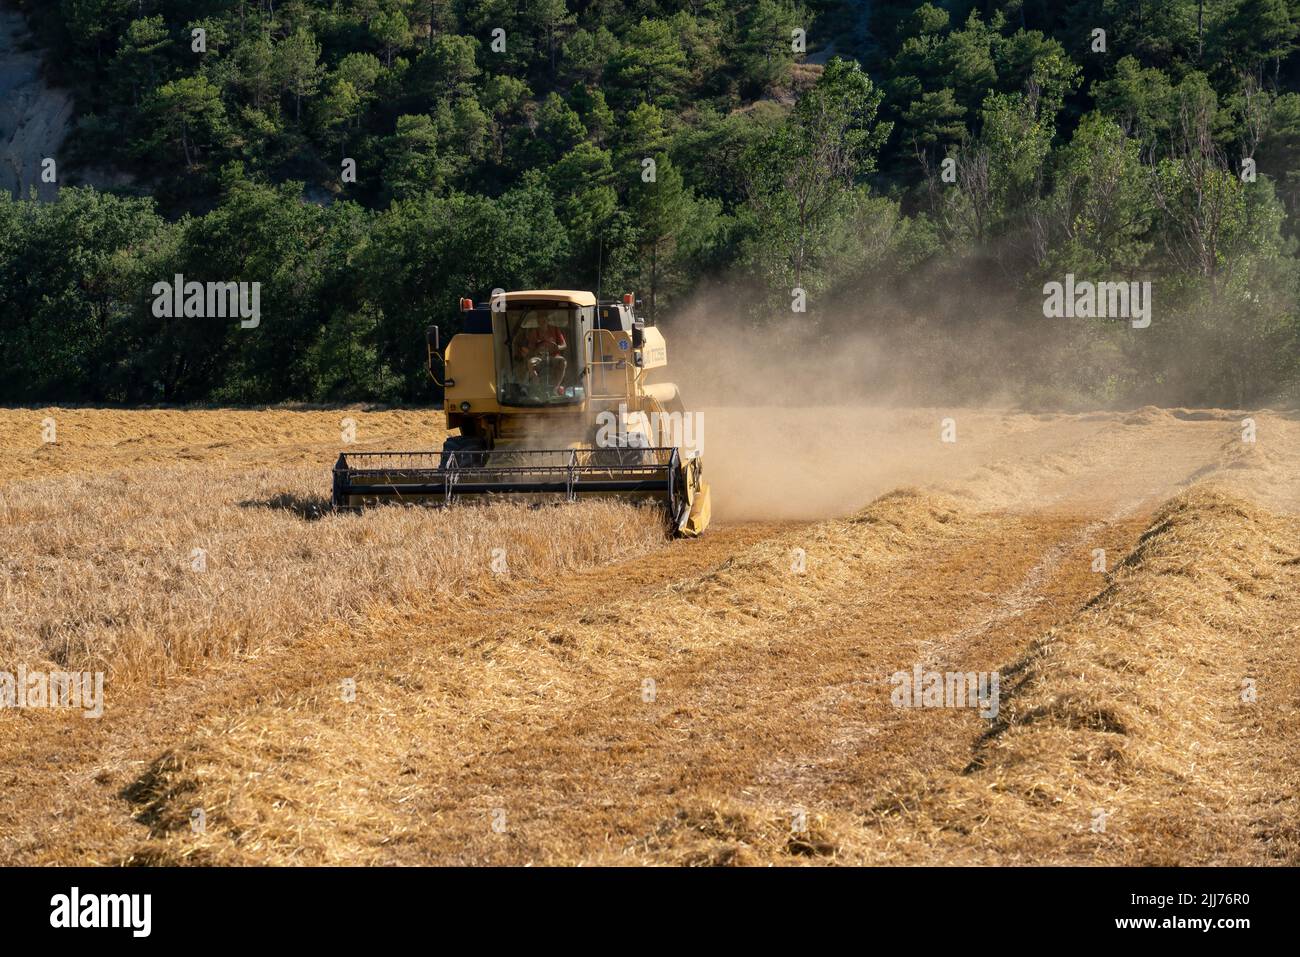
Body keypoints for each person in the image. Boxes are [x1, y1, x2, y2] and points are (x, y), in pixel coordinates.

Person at [516, 313, 568, 388]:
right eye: (540, 322)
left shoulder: (555, 330)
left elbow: (564, 345)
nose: (542, 323)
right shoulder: (534, 332)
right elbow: (531, 348)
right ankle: (537, 385)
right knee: (530, 363)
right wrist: (537, 350)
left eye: (544, 321)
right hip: (539, 357)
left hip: (554, 357)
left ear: (548, 320)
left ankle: (556, 387)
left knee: (563, 362)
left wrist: (556, 347)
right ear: (538, 322)